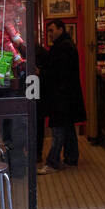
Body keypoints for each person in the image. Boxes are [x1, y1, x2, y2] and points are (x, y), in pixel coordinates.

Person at [36, 19, 86, 173]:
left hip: (61, 96)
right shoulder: (66, 45)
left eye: (52, 30)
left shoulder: (62, 48)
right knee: (67, 127)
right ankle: (71, 157)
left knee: (58, 130)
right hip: (67, 95)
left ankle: (52, 162)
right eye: (48, 31)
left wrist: (40, 73)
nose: (49, 34)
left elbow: (59, 73)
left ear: (61, 29)